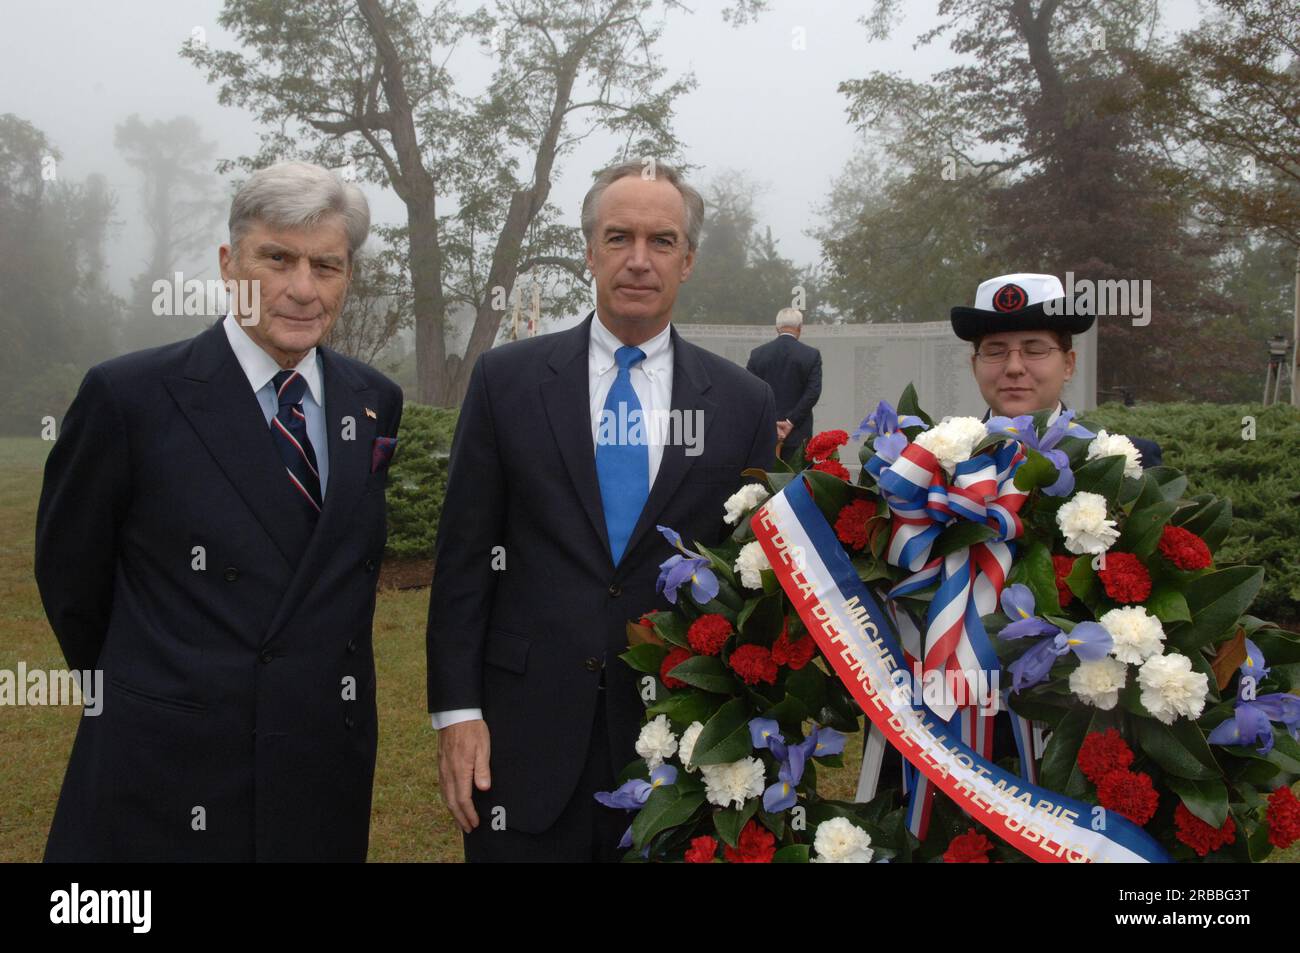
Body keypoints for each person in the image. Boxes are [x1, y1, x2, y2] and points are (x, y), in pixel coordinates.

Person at [35, 161, 403, 861]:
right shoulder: (130, 396)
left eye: (326, 265)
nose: (302, 288)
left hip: (323, 767)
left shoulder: (372, 399)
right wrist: (161, 689)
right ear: (229, 262)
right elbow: (71, 581)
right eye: (277, 258)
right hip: (169, 770)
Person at [426, 160, 777, 862]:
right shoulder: (507, 381)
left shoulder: (743, 404)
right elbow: (465, 558)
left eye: (662, 241)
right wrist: (458, 713)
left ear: (688, 260)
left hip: (676, 743)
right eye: (619, 238)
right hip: (523, 741)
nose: (639, 260)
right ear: (590, 251)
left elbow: (752, 585)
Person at [953, 272, 1163, 466]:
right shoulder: (941, 461)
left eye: (1034, 350)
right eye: (996, 352)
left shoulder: (1122, 462)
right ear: (974, 366)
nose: (1014, 367)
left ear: (1068, 365)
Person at [745, 307, 822, 464]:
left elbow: (750, 391)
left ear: (777, 328)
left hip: (765, 434)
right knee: (798, 483)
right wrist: (790, 422)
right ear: (799, 328)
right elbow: (812, 392)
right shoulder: (811, 355)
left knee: (765, 484)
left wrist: (771, 422)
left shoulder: (758, 354)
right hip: (799, 435)